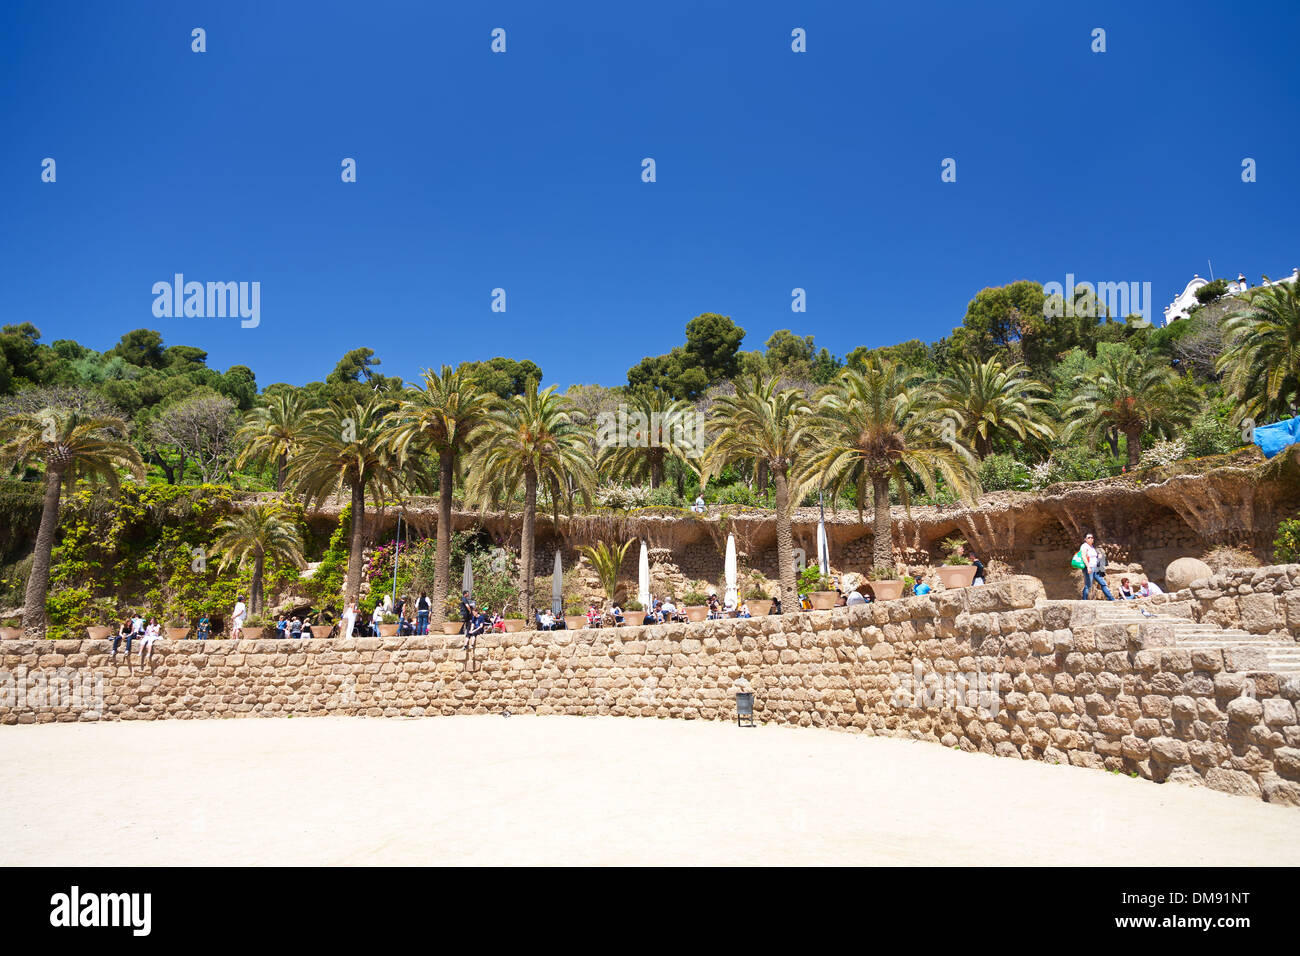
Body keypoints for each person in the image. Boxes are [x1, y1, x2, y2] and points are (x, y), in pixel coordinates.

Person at [1079, 533, 1114, 600]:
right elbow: (1083, 556)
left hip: (1096, 568)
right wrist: (1088, 567)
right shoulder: (1084, 546)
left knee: (1102, 583)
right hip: (1089, 567)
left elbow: (1094, 558)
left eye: (1092, 537)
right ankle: (1084, 599)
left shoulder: (1092, 547)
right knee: (1088, 585)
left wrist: (1099, 556)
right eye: (1089, 537)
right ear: (1085, 539)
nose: (1091, 539)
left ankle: (1111, 598)